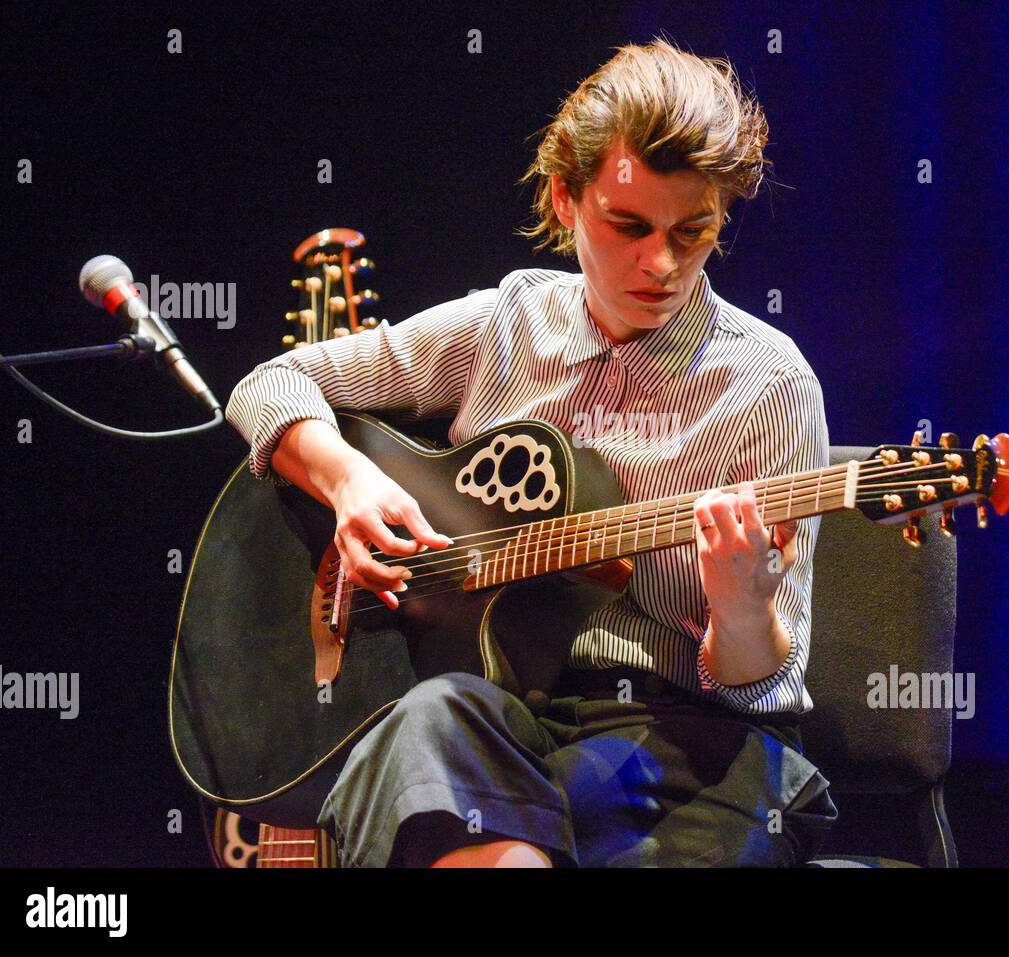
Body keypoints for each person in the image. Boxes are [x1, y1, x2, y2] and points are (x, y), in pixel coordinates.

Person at [225, 37, 838, 868]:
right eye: (628, 225)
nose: (661, 263)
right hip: (493, 720)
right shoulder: (507, 323)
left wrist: (741, 607)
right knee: (426, 723)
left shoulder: (770, 387)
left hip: (681, 743)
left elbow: (765, 682)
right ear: (565, 198)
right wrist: (350, 481)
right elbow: (268, 385)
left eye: (692, 231)